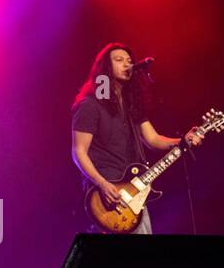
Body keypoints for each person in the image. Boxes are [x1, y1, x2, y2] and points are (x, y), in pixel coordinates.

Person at [71, 42, 203, 233]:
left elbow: (153, 139)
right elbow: (78, 152)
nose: (127, 64)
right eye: (119, 60)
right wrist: (102, 183)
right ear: (105, 68)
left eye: (129, 61)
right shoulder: (89, 106)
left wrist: (182, 141)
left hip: (134, 192)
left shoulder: (132, 106)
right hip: (106, 195)